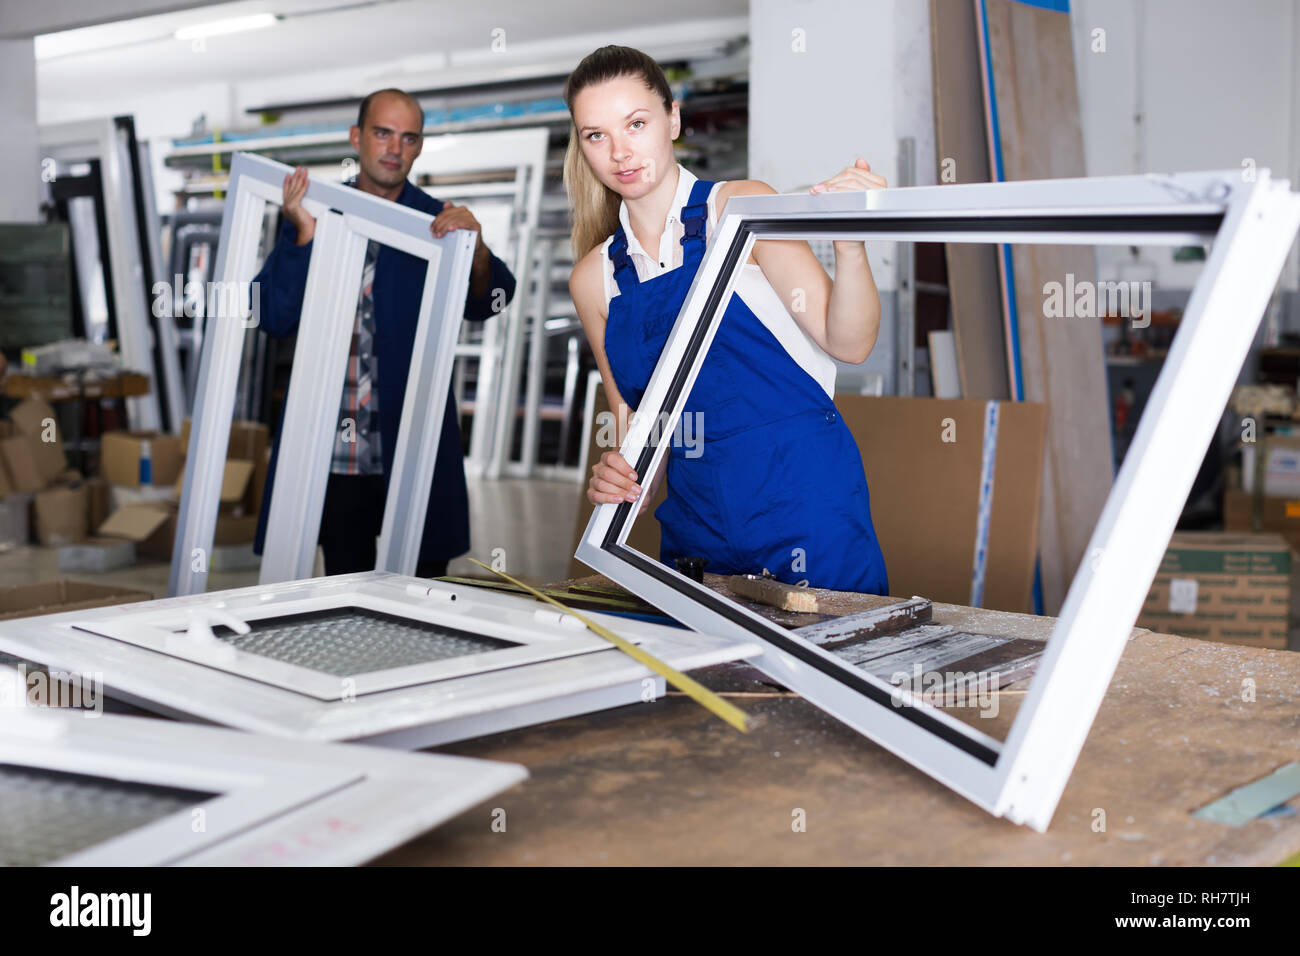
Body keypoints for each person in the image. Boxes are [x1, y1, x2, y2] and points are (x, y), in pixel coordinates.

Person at [565, 46, 889, 594]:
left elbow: (848, 341)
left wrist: (851, 244)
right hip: (698, 529)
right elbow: (641, 433)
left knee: (832, 670)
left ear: (672, 119)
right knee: (711, 678)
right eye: (596, 135)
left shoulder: (740, 211)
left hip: (805, 503)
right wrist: (620, 478)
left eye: (636, 124)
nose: (620, 151)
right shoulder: (594, 280)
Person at [252, 88, 516, 578]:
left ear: (418, 147)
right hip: (336, 452)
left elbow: (491, 301)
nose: (394, 148)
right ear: (357, 138)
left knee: (421, 601)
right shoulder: (316, 212)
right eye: (382, 133)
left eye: (409, 137)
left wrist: (476, 249)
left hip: (412, 445)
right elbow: (271, 316)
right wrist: (303, 238)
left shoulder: (436, 222)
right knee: (346, 598)